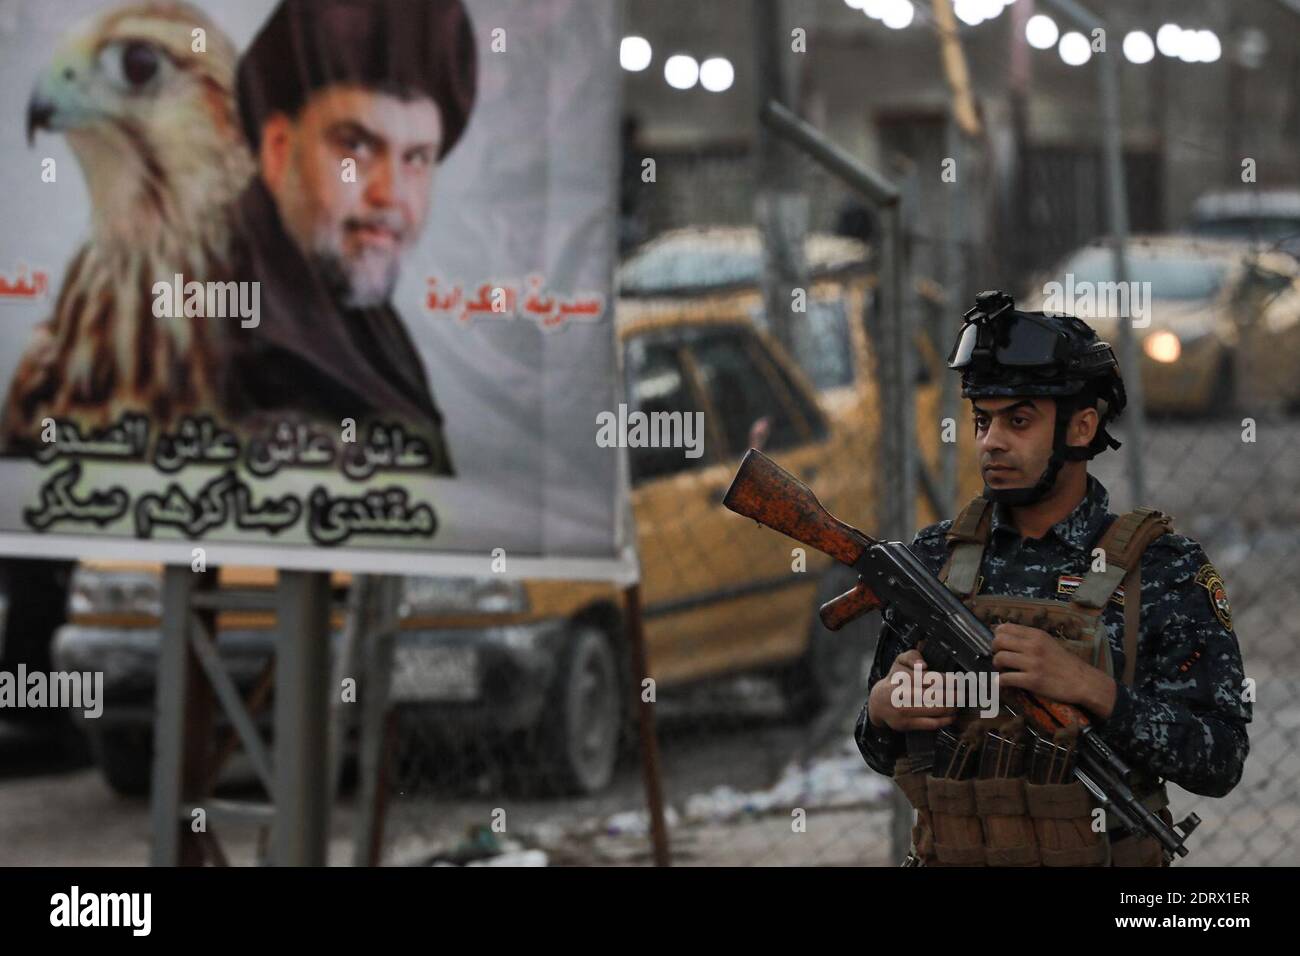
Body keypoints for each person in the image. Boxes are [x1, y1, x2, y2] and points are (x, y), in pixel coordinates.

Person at [856, 290, 1250, 867]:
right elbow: (875, 745)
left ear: (1082, 427)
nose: (992, 441)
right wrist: (886, 707)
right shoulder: (936, 556)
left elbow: (1219, 759)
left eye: (1019, 420)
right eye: (981, 421)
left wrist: (1090, 688)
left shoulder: (1163, 570)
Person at [221, 0, 479, 473]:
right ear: (279, 151)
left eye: (417, 158)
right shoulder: (229, 341)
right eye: (356, 147)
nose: (391, 195)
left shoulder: (347, 291)